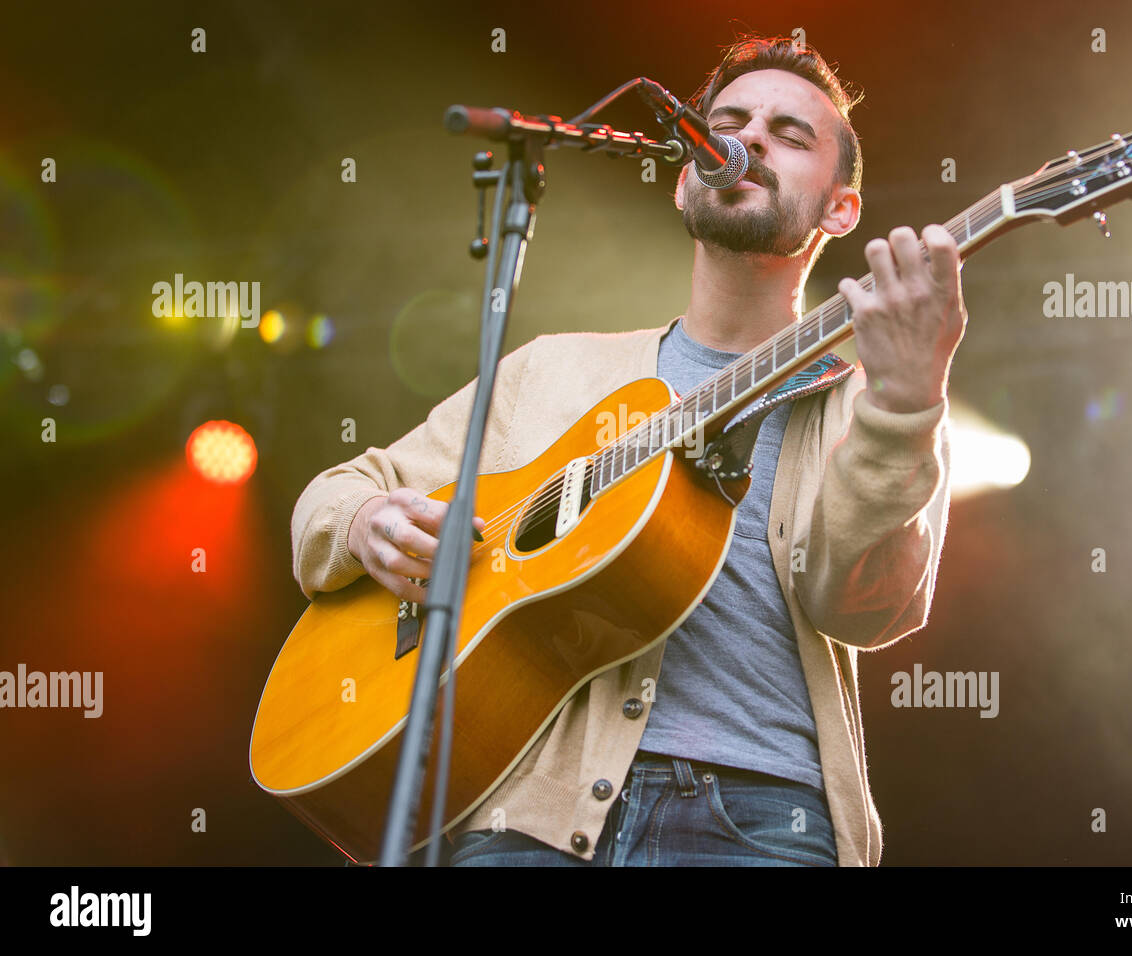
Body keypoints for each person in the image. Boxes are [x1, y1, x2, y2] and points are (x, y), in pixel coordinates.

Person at [290, 35, 964, 866]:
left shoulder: (873, 398)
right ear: (686, 172)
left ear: (841, 209)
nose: (748, 140)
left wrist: (905, 404)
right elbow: (336, 492)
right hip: (528, 816)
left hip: (765, 819)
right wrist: (363, 523)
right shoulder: (552, 370)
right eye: (727, 123)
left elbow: (862, 608)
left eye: (789, 136)